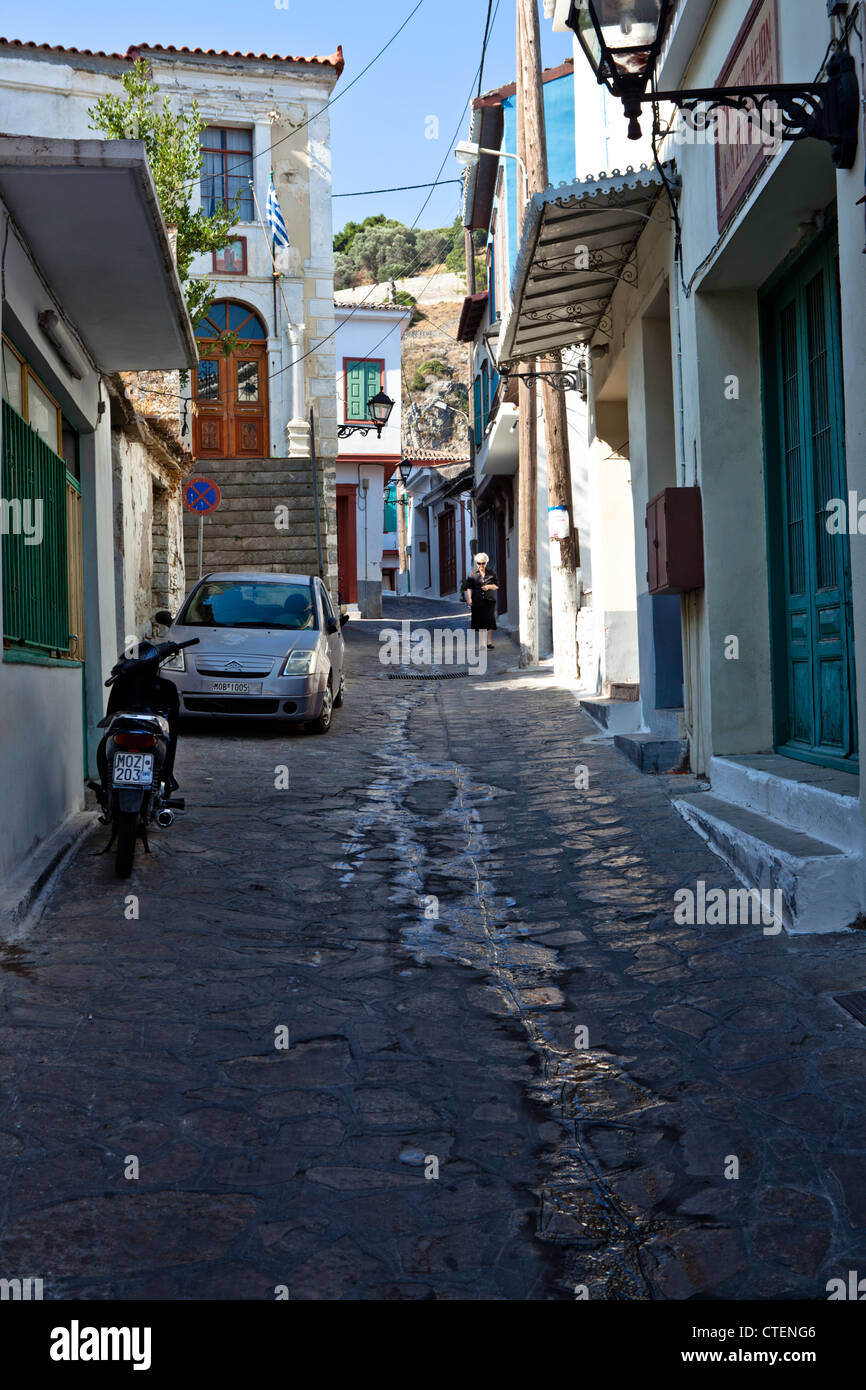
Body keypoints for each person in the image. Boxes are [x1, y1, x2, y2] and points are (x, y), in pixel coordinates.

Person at [466, 552, 499, 649]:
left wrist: (489, 586)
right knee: (480, 622)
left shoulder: (491, 573)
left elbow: (497, 586)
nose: (481, 565)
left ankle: (489, 642)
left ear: (486, 563)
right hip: (477, 601)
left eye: (483, 563)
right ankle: (483, 643)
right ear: (476, 563)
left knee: (489, 620)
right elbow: (469, 587)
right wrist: (469, 598)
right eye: (479, 563)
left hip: (489, 600)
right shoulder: (472, 574)